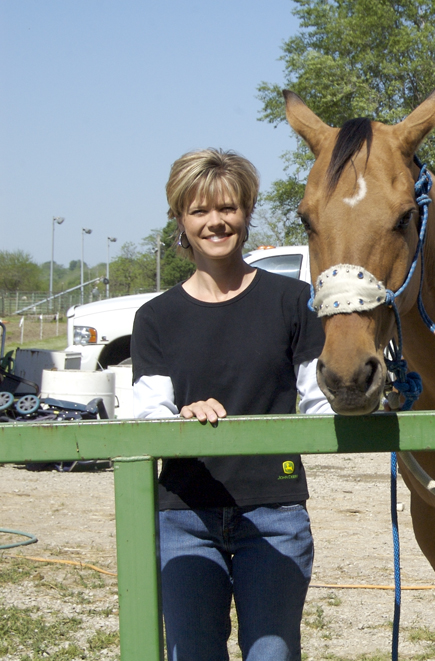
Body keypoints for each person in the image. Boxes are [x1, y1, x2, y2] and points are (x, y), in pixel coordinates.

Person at [131, 148, 331, 661]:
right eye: (199, 211)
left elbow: (319, 405)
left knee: (272, 653)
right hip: (184, 516)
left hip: (275, 513)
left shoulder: (295, 301)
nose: (215, 222)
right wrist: (180, 420)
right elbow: (148, 415)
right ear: (179, 219)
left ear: (246, 212)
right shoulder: (155, 317)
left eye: (228, 208)